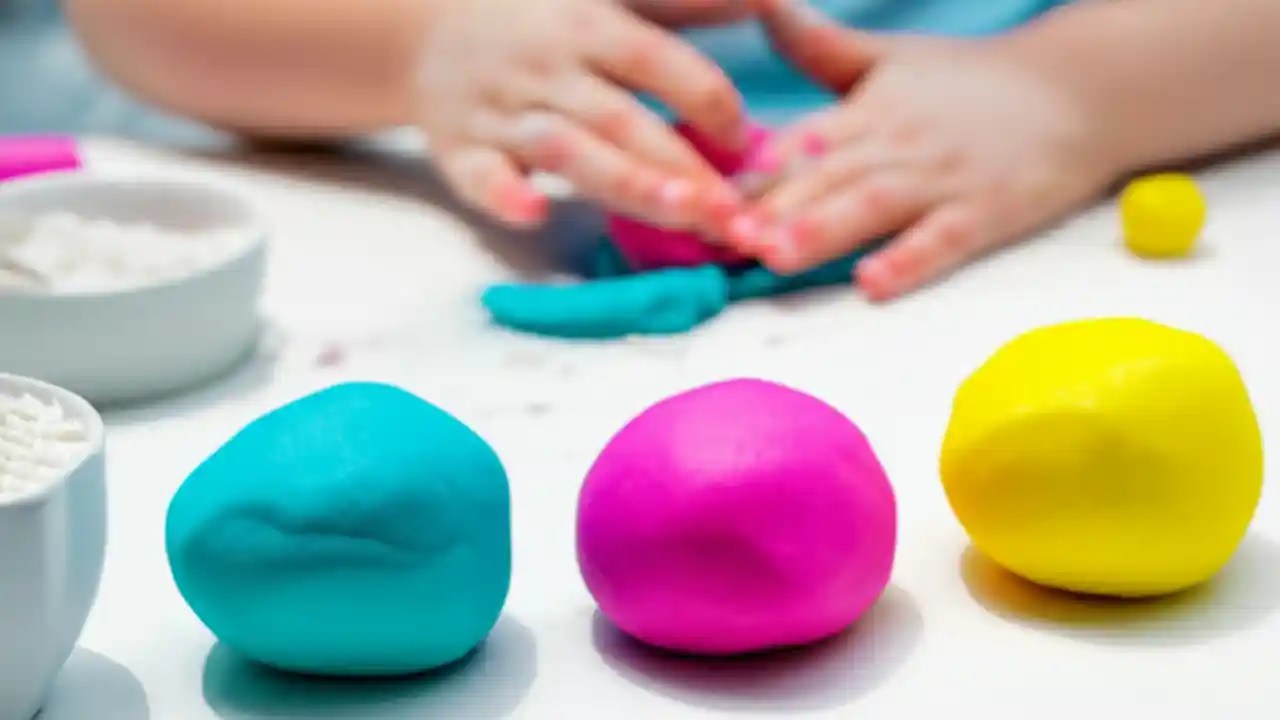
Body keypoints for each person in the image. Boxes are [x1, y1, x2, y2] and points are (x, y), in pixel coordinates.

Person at [63, 0, 1280, 301]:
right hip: (418, 225)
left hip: (1045, 231)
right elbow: (132, 20)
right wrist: (420, 42)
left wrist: (1066, 92)